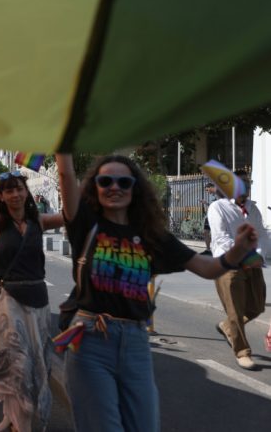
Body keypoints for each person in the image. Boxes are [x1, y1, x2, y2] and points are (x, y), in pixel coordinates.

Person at [56, 153, 259, 432]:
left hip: (136, 344)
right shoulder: (85, 224)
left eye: (123, 182)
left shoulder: (151, 235)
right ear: (95, 187)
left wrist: (238, 249)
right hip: (90, 341)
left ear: (134, 188)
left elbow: (207, 268)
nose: (114, 187)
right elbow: (66, 174)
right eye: (106, 181)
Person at [0, 171, 64, 432]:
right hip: (9, 306)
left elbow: (72, 213)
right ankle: (19, 423)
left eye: (19, 189)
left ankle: (10, 418)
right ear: (1, 196)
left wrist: (65, 169)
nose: (15, 194)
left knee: (35, 369)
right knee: (16, 368)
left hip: (39, 306)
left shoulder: (38, 221)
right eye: (8, 190)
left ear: (26, 193)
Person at [207, 170, 270, 370]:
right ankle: (242, 352)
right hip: (229, 265)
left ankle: (227, 327)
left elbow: (261, 233)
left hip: (253, 263)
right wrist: (246, 256)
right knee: (235, 311)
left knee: (257, 306)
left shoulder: (253, 208)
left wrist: (259, 254)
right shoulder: (218, 207)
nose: (247, 189)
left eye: (248, 184)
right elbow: (221, 239)